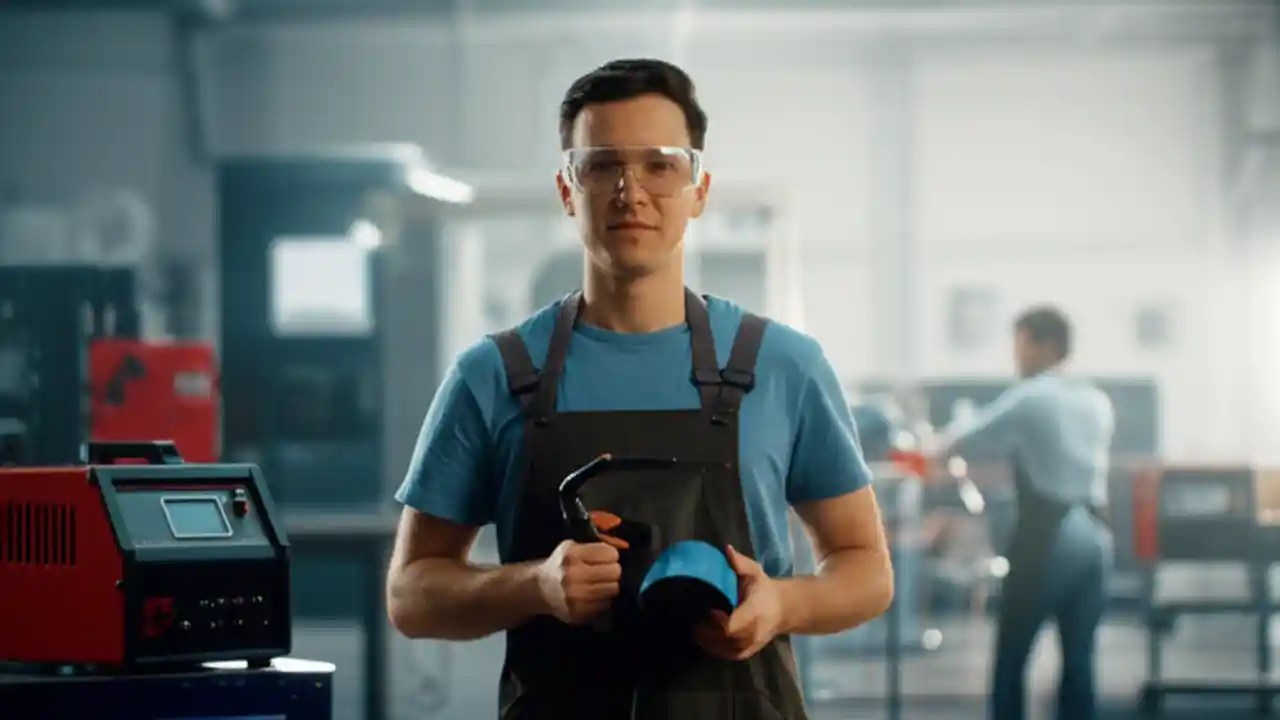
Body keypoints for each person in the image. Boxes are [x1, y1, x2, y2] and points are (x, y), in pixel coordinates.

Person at [384, 58, 893, 719]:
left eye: (660, 164)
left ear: (699, 188)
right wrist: (537, 586)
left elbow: (866, 569)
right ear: (569, 189)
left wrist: (781, 606)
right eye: (602, 166)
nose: (631, 191)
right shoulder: (493, 376)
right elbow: (412, 594)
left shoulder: (781, 366)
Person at [935, 306, 1115, 720]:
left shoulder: (1031, 396)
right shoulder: (1096, 400)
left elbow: (958, 441)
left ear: (1044, 344)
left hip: (1049, 535)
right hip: (1097, 536)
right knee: (1080, 661)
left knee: (1012, 657)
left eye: (1020, 343)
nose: (1016, 355)